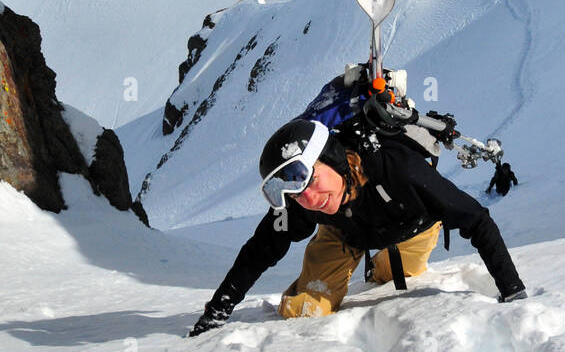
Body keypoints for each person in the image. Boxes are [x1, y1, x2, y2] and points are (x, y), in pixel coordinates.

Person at [188, 116, 526, 335]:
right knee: (305, 310)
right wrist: (217, 310)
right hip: (343, 234)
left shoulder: (402, 172)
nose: (306, 197)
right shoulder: (308, 199)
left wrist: (514, 292)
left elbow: (476, 219)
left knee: (398, 275)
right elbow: (261, 248)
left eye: (309, 178)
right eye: (292, 192)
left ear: (333, 159)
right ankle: (349, 273)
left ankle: (379, 271)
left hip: (412, 227)